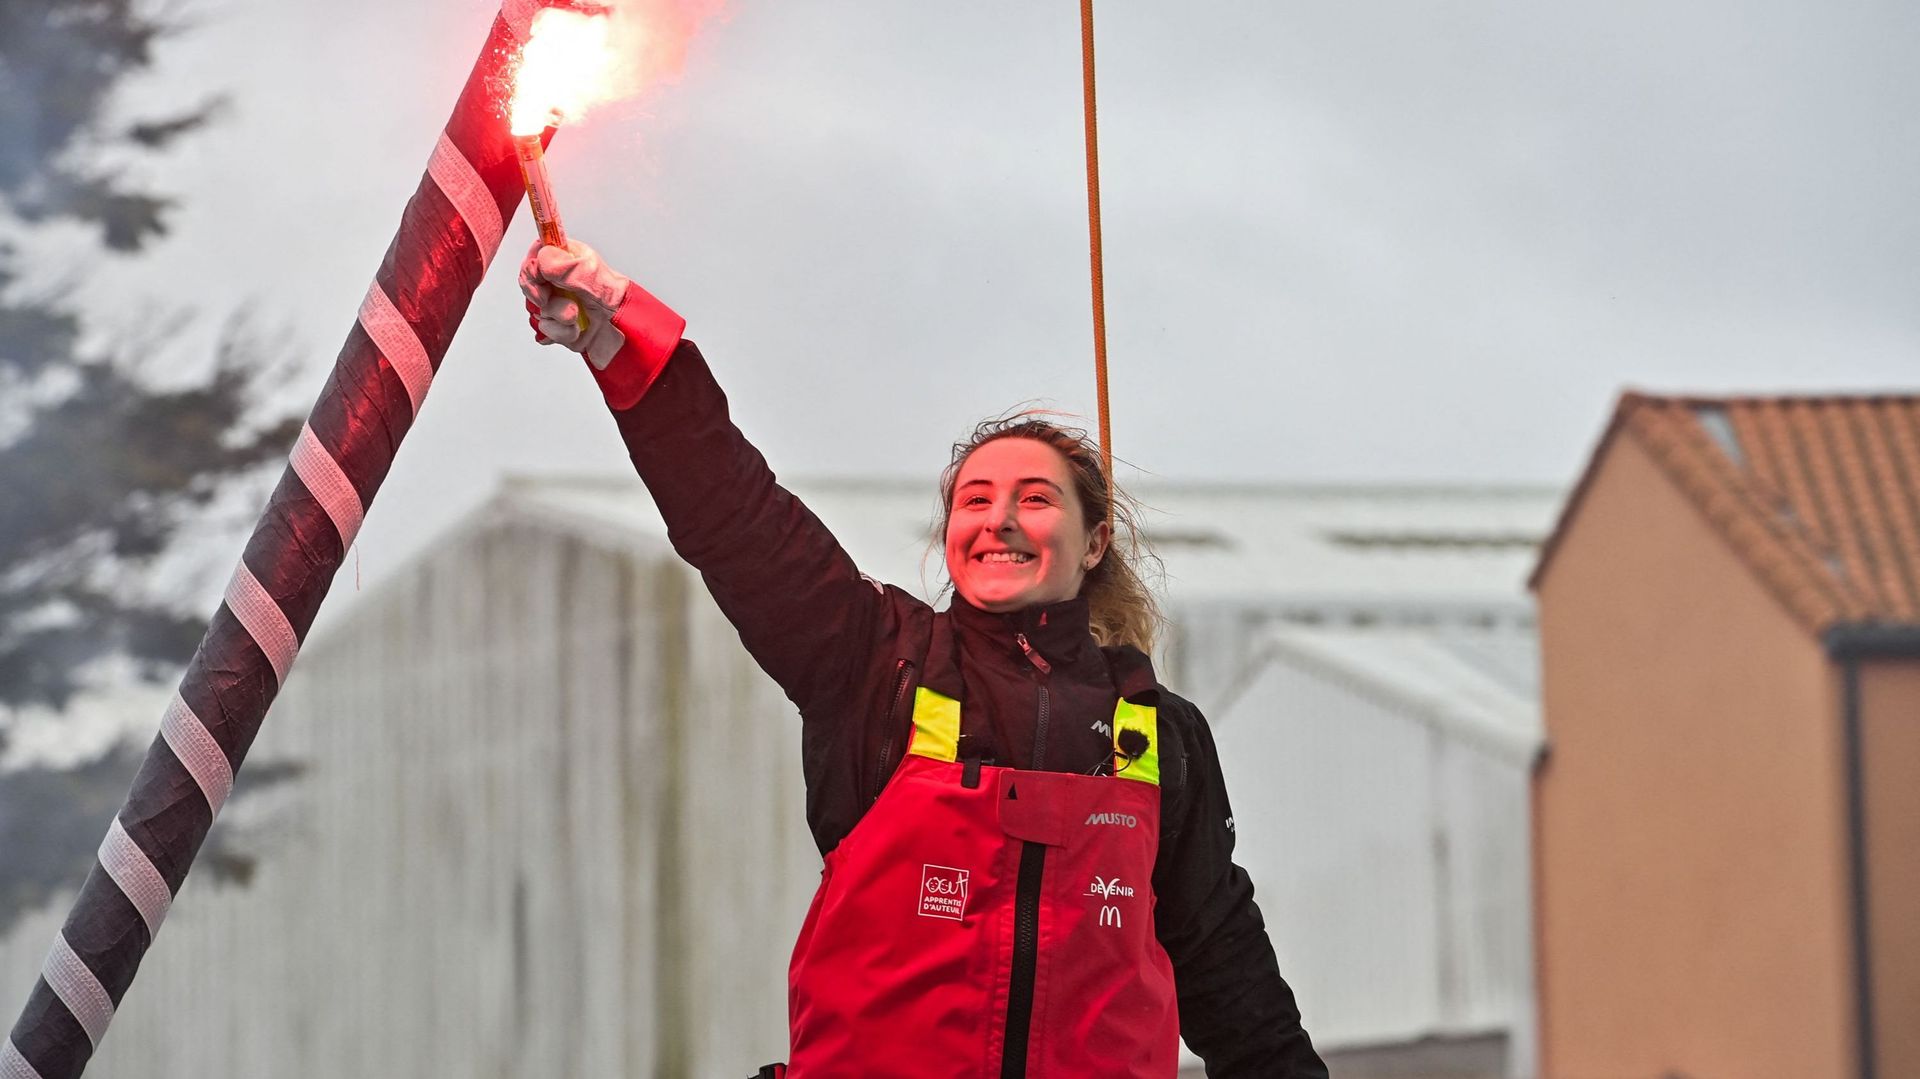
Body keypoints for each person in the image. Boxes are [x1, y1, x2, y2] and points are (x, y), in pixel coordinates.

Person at [520, 239, 1327, 1079]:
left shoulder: (1161, 738)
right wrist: (625, 345)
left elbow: (1232, 981)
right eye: (975, 499)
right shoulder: (877, 664)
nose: (999, 519)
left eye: (1035, 498)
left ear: (1094, 544)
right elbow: (733, 515)